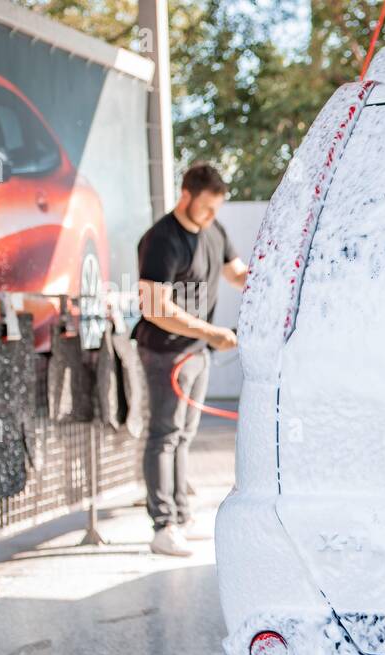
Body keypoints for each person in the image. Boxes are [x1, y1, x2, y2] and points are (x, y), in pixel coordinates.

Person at [135, 162, 246, 557]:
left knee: (183, 435)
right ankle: (163, 525)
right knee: (164, 435)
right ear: (186, 196)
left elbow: (238, 274)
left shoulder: (213, 230)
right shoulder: (161, 240)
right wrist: (211, 333)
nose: (213, 216)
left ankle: (181, 515)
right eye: (206, 208)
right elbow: (154, 308)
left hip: (197, 351)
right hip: (165, 351)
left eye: (217, 208)